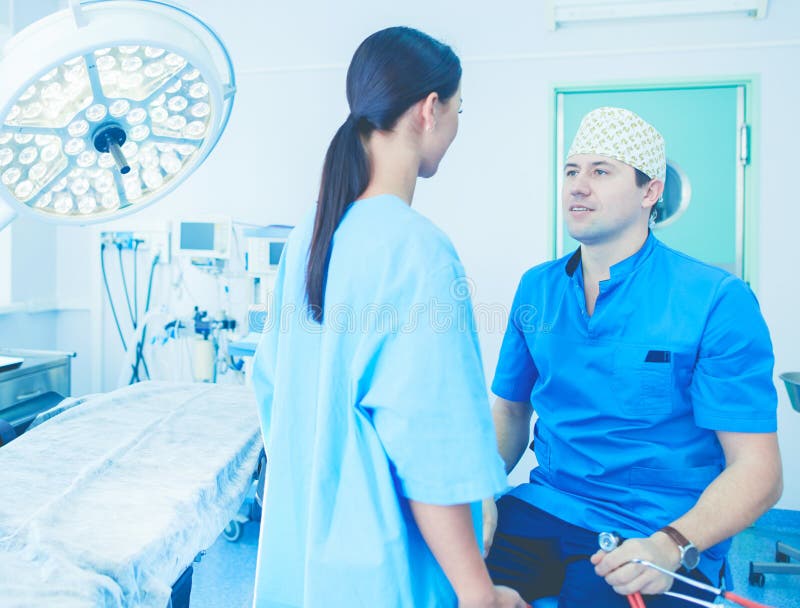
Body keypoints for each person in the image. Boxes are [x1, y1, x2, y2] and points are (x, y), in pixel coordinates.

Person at [251, 27, 526, 608]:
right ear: (430, 110)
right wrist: (481, 592)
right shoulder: (417, 252)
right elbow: (432, 448)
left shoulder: (311, 233)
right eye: (458, 110)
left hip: (304, 551)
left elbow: (273, 389)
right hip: (382, 567)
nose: (455, 127)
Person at [483, 106, 783, 607]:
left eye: (601, 171)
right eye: (572, 171)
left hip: (652, 528)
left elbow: (758, 469)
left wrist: (674, 545)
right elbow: (510, 412)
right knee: (443, 586)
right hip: (545, 507)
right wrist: (480, 489)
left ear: (650, 191)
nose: (578, 186)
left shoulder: (715, 300)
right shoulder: (537, 288)